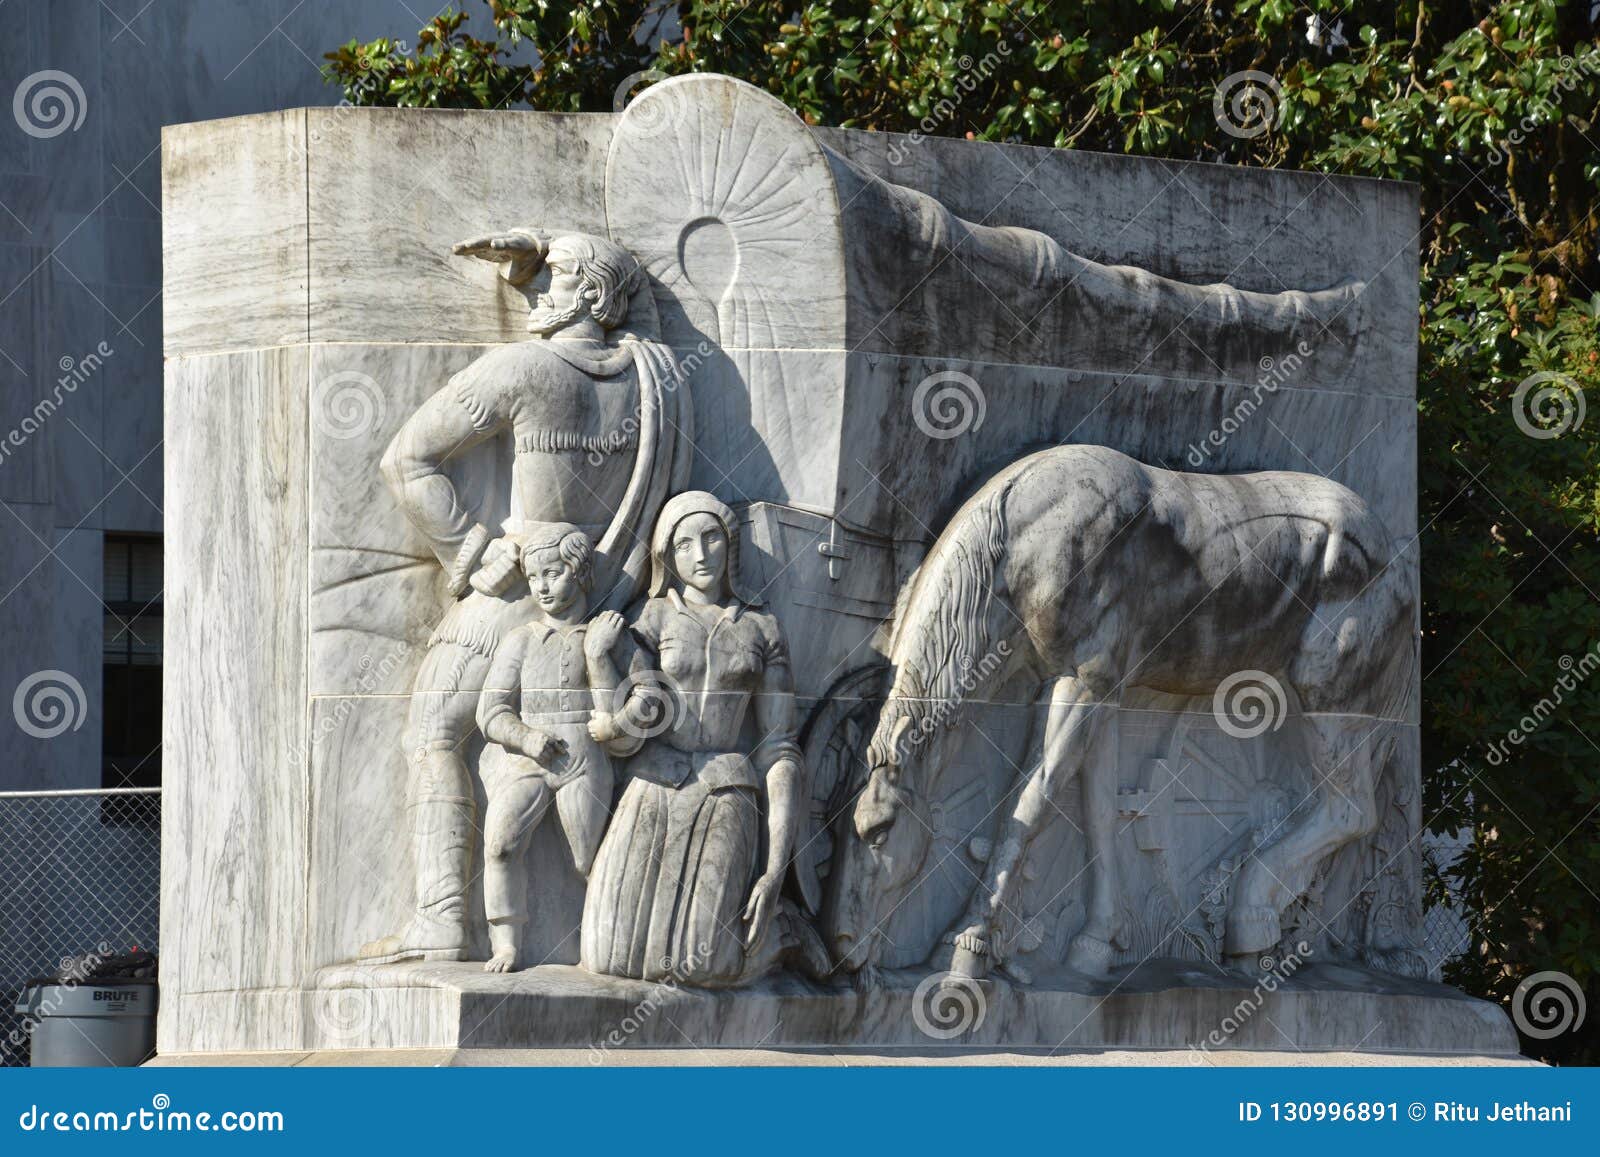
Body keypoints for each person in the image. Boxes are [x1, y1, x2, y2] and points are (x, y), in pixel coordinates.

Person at [579, 491, 828, 986]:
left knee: (706, 965)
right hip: (653, 787)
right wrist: (597, 659)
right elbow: (624, 734)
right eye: (684, 543)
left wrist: (776, 869)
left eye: (712, 537)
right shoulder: (650, 620)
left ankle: (788, 934)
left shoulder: (762, 627)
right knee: (608, 954)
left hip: (725, 792)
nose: (700, 554)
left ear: (730, 545)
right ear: (666, 557)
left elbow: (780, 747)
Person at [474, 525, 635, 973]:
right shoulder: (521, 640)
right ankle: (506, 942)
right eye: (534, 578)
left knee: (592, 859)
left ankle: (605, 944)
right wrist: (526, 737)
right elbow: (490, 711)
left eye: (553, 573)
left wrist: (600, 655)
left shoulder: (604, 636)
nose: (542, 587)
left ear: (580, 573)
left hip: (584, 757)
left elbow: (622, 721)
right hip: (527, 758)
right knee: (501, 843)